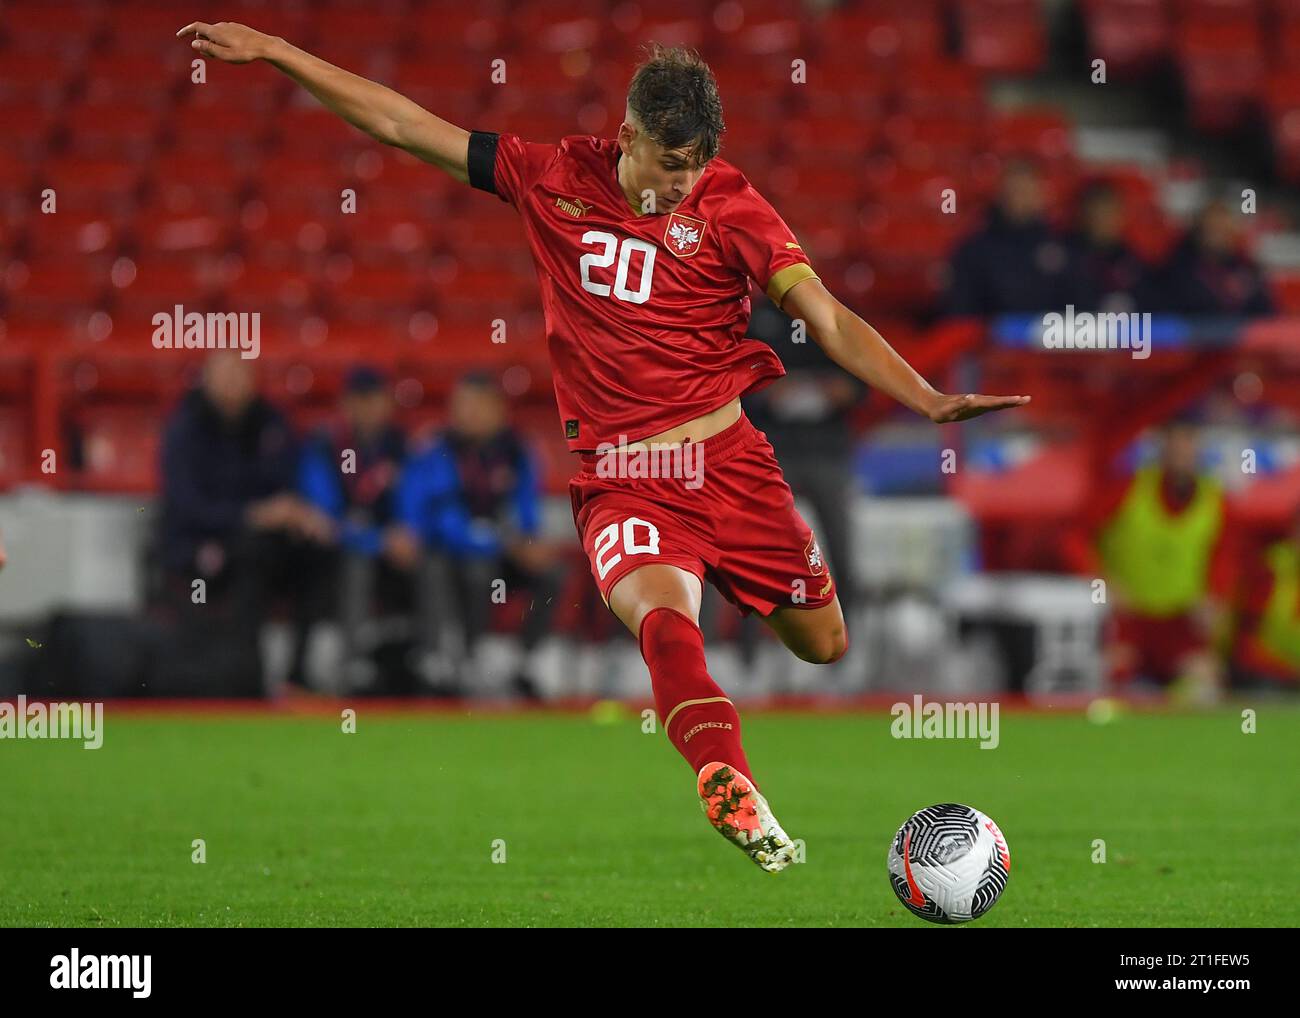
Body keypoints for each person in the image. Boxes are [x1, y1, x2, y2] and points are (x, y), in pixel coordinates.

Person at [181, 23, 1028, 872]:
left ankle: (725, 675)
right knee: (665, 618)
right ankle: (725, 776)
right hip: (626, 476)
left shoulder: (733, 204)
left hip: (732, 462)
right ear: (627, 137)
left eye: (692, 168)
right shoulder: (549, 176)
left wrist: (925, 397)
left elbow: (828, 315)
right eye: (667, 165)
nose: (679, 185)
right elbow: (402, 124)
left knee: (824, 642)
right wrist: (282, 53)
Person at [157, 350, 335, 691]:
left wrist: (300, 514)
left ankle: (298, 674)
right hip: (202, 544)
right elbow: (188, 507)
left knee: (317, 550)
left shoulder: (271, 422)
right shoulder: (185, 429)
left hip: (268, 541)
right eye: (225, 376)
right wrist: (252, 515)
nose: (232, 386)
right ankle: (245, 674)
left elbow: (288, 481)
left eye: (240, 376)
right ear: (206, 381)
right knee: (251, 554)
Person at [397, 373, 562, 699]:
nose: (467, 414)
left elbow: (525, 510)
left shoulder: (516, 451)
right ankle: (464, 660)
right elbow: (440, 515)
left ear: (498, 409)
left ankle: (524, 661)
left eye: (476, 406)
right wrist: (500, 540)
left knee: (553, 574)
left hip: (503, 553)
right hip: (449, 554)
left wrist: (529, 543)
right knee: (475, 569)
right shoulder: (438, 449)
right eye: (461, 406)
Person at [297, 365, 412, 689]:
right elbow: (326, 520)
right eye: (359, 399)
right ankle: (351, 662)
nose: (367, 408)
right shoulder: (324, 445)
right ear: (345, 404)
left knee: (433, 562)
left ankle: (433, 661)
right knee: (355, 566)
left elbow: (415, 502)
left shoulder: (400, 445)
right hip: (337, 553)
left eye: (374, 399)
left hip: (394, 554)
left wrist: (409, 533)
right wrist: (380, 540)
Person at [944, 158, 1072, 316]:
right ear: (1000, 195)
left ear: (1041, 195)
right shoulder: (973, 251)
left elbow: (1081, 310)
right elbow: (961, 312)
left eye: (1026, 190)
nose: (1018, 198)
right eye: (1014, 190)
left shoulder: (1065, 248)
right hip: (990, 338)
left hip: (1051, 337)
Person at [1153, 200, 1275, 316]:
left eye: (1223, 230)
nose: (1218, 237)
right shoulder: (1176, 268)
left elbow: (1264, 312)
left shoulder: (1245, 268)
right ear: (1200, 232)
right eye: (1213, 230)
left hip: (1238, 335)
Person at [1064, 180, 1150, 313]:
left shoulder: (1134, 263)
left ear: (1121, 216)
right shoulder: (1064, 258)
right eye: (1097, 212)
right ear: (1083, 213)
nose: (1102, 219)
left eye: (1108, 212)